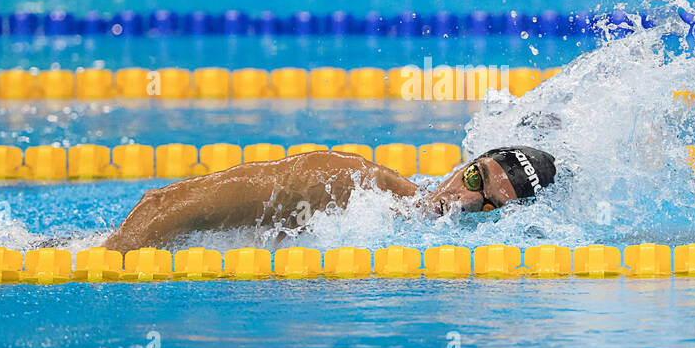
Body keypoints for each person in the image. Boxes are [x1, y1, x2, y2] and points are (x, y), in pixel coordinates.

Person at [102, 146, 558, 251]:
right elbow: (160, 206)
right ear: (466, 163)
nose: (465, 202)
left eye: (492, 207)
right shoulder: (346, 182)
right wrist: (105, 267)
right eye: (475, 178)